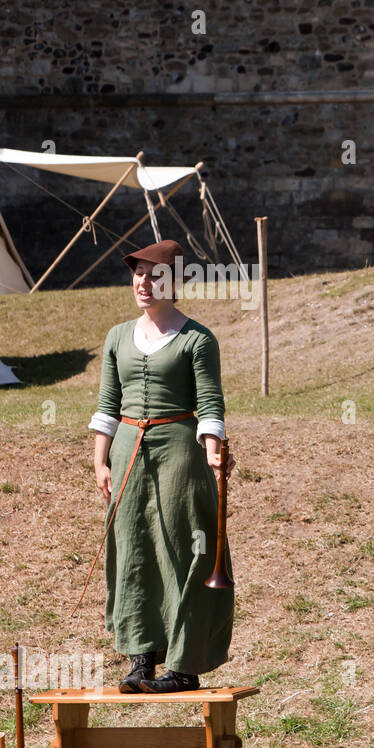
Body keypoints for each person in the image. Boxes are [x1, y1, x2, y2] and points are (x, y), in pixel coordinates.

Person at [88, 239, 235, 693]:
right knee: (134, 550)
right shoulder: (116, 337)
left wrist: (213, 450)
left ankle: (184, 666)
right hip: (127, 453)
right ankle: (141, 658)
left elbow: (210, 402)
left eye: (155, 276)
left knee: (184, 552)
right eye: (138, 274)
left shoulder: (197, 338)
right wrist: (99, 459)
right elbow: (107, 405)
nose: (144, 283)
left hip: (180, 455)